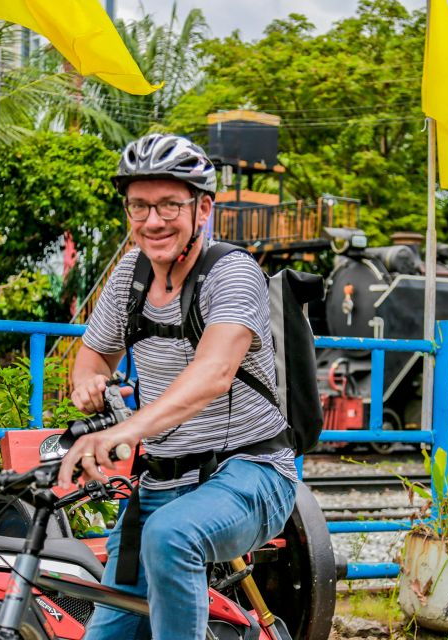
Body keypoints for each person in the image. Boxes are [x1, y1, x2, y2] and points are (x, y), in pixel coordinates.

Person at [57, 133, 298, 640]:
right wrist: (88, 381)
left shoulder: (232, 273)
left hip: (249, 473)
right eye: (139, 206)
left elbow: (213, 374)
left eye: (169, 205)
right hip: (158, 485)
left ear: (203, 207)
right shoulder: (131, 273)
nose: (152, 221)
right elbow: (93, 354)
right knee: (108, 631)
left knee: (174, 535)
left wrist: (119, 435)